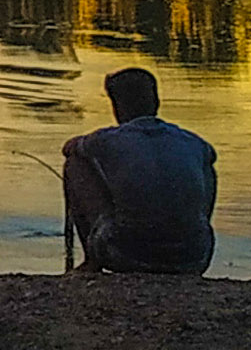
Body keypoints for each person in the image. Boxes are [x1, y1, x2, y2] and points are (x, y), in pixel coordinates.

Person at [61, 65, 218, 275]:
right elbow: (210, 154)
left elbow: (69, 148)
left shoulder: (106, 140)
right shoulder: (192, 142)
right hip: (195, 257)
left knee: (75, 163)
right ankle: (189, 231)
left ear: (116, 106)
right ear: (157, 102)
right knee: (205, 165)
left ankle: (92, 262)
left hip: (123, 255)